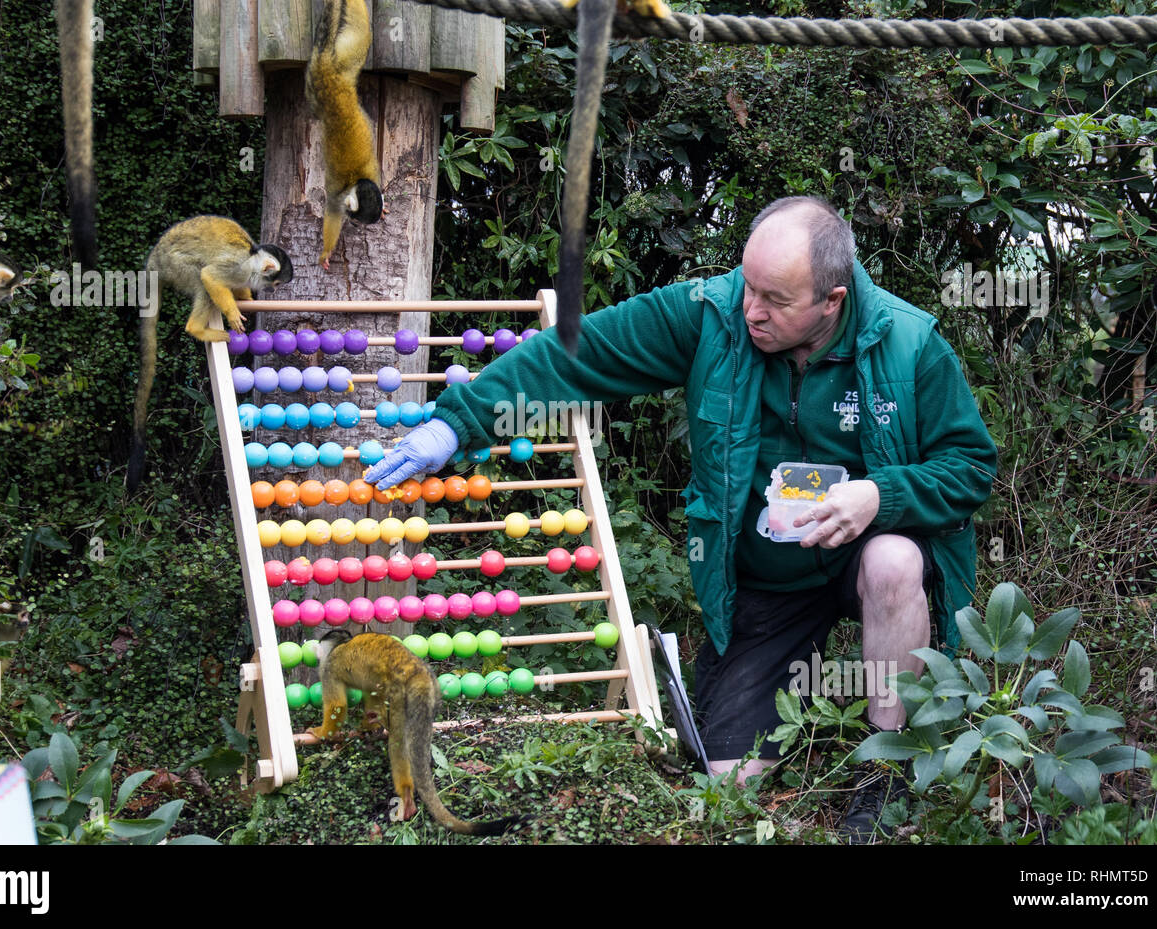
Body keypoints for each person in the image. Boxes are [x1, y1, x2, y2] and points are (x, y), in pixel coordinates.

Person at [365, 195, 997, 842]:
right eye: (748, 286)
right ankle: (783, 695)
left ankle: (887, 768)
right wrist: (459, 420)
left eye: (776, 300)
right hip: (768, 582)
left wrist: (879, 496)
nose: (752, 310)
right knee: (728, 782)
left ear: (832, 301)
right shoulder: (713, 315)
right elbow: (580, 352)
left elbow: (971, 467)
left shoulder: (910, 342)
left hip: (863, 557)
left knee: (894, 562)